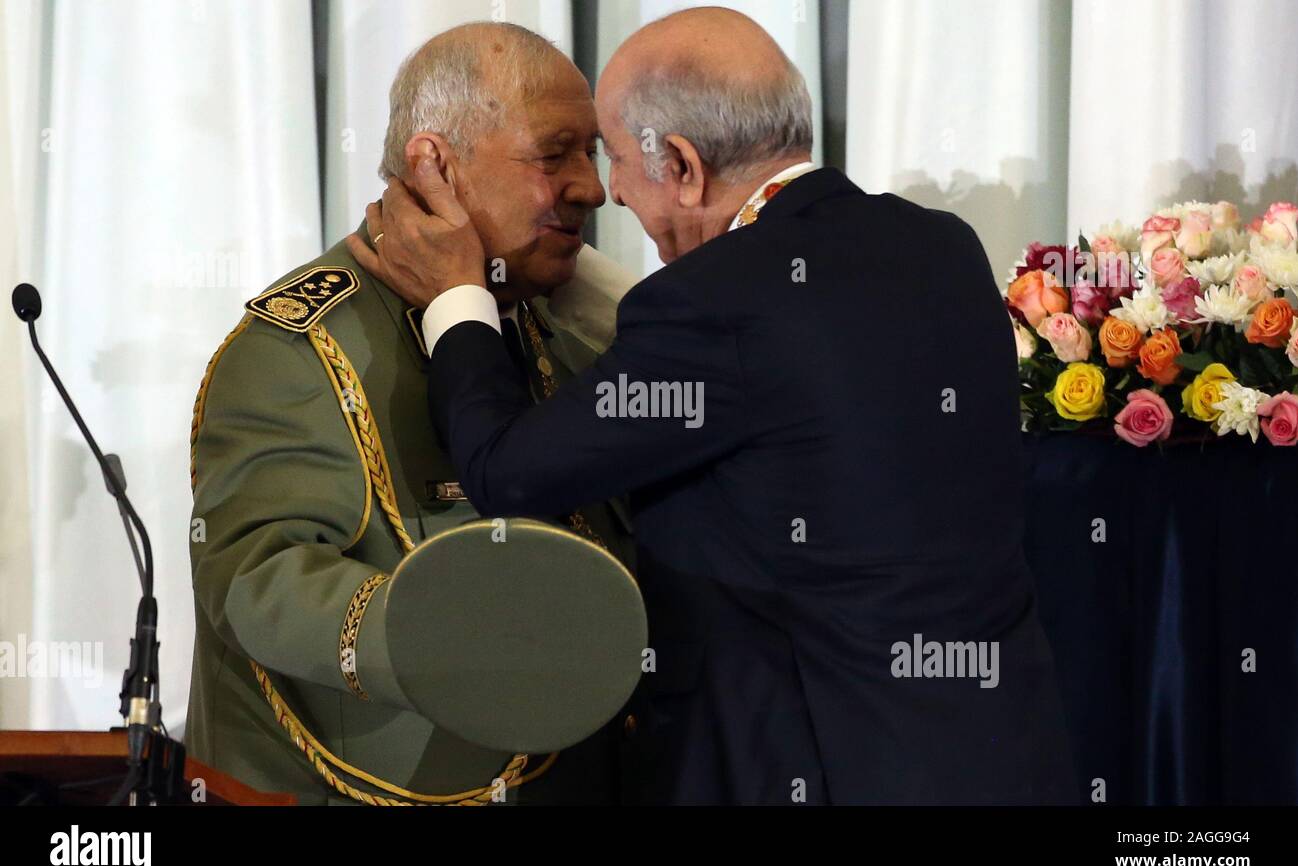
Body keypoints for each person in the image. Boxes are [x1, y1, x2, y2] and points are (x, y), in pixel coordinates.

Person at [350, 8, 1078, 805]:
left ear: (686, 166)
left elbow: (507, 468)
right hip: (1004, 750)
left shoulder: (718, 307)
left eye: (618, 161)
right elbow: (777, 379)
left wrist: (458, 292)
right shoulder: (940, 245)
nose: (608, 191)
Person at [187, 22, 636, 806]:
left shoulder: (560, 316)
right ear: (435, 165)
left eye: (592, 152)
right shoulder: (295, 348)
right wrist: (462, 637)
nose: (591, 186)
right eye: (555, 152)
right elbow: (255, 578)